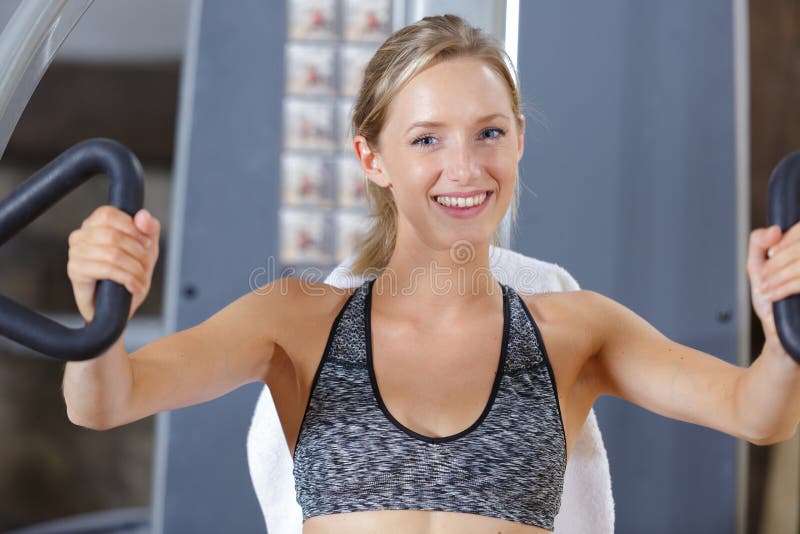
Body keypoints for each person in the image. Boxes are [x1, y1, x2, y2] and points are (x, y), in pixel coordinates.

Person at [63, 14, 800, 534]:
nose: (465, 169)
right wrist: (102, 315)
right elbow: (105, 402)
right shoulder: (297, 321)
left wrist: (782, 331)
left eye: (490, 133)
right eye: (426, 139)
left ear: (518, 145)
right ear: (372, 159)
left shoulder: (577, 330)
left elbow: (757, 412)